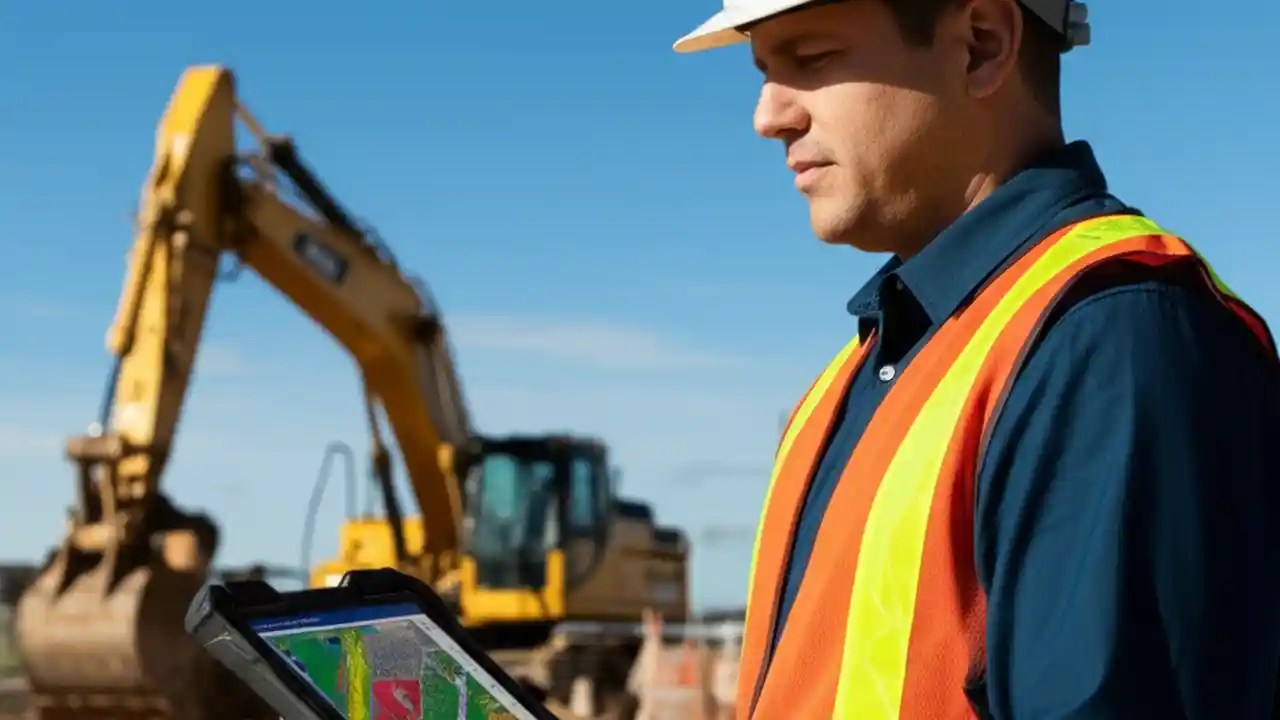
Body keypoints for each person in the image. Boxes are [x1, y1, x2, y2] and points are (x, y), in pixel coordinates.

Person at [671, 0, 1280, 718]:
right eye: (765, 72)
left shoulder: (1112, 340)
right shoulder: (862, 373)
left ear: (982, 46)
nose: (768, 117)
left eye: (812, 59)